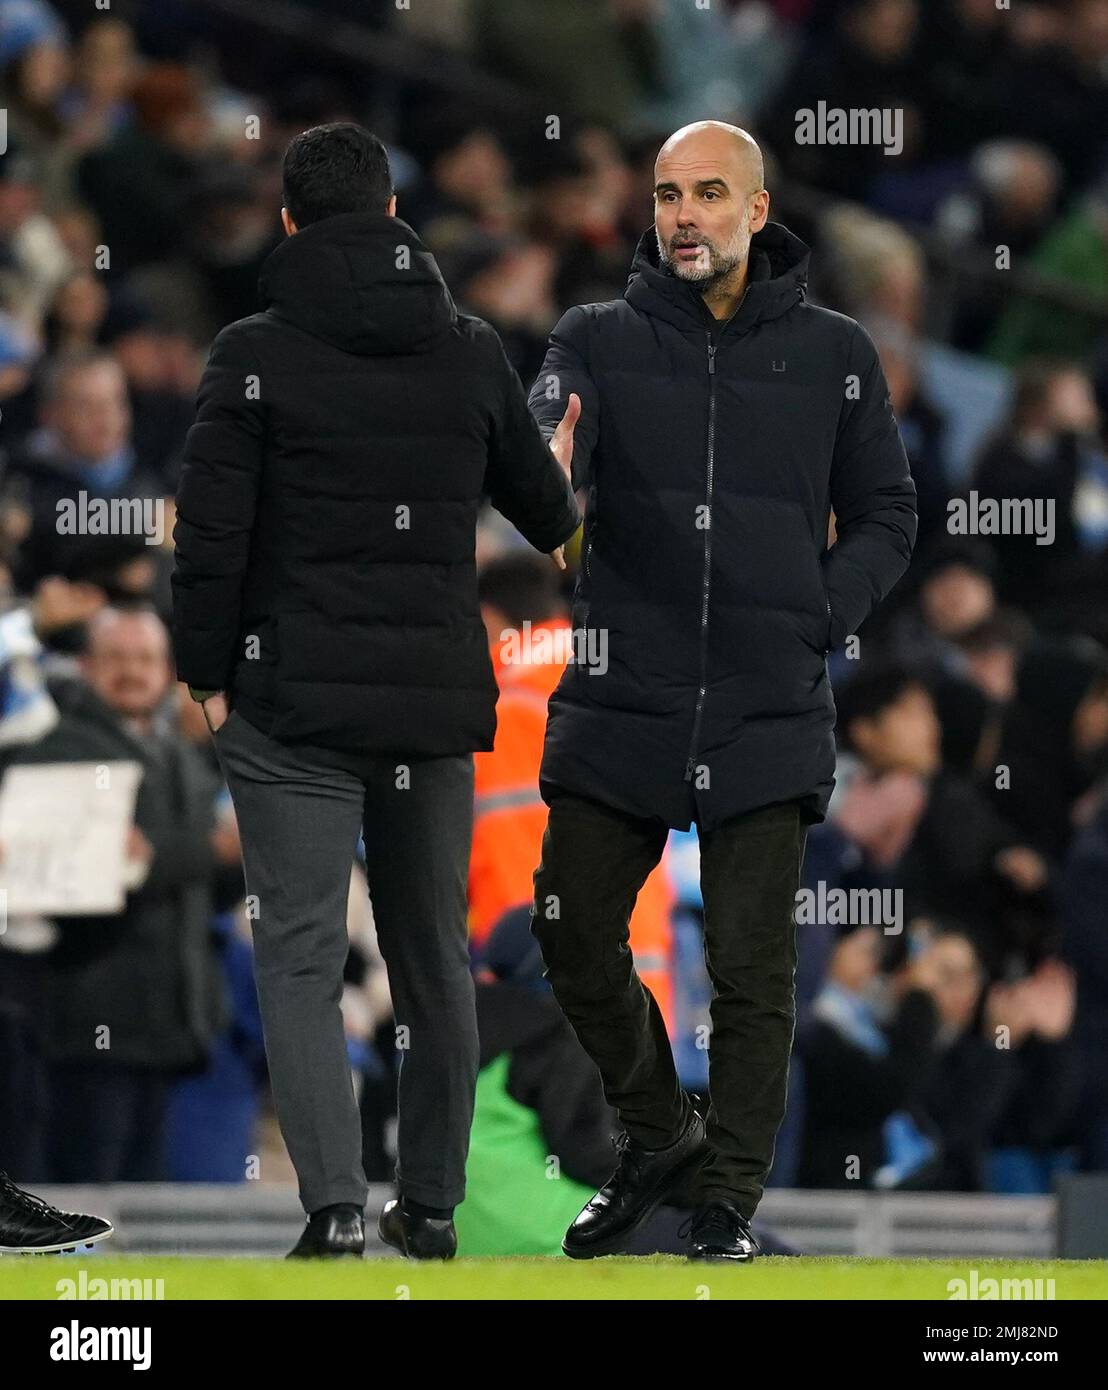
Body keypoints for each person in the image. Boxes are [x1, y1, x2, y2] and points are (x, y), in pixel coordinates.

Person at [171, 123, 579, 1260]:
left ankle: (337, 1206)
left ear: (288, 221)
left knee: (298, 957)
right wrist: (556, 447)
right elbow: (548, 518)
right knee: (430, 954)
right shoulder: (468, 348)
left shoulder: (251, 353)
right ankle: (435, 1207)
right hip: (428, 709)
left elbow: (209, 542)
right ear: (398, 215)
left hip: (288, 705)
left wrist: (206, 678)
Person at [525, 120, 916, 1261]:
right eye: (663, 195)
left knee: (752, 976)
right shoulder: (591, 335)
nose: (681, 215)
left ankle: (723, 1208)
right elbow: (546, 437)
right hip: (622, 697)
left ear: (756, 208)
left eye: (706, 194)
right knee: (571, 929)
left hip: (763, 704)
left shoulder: (838, 352)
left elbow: (889, 511)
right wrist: (544, 471)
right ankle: (659, 1132)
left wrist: (815, 616)